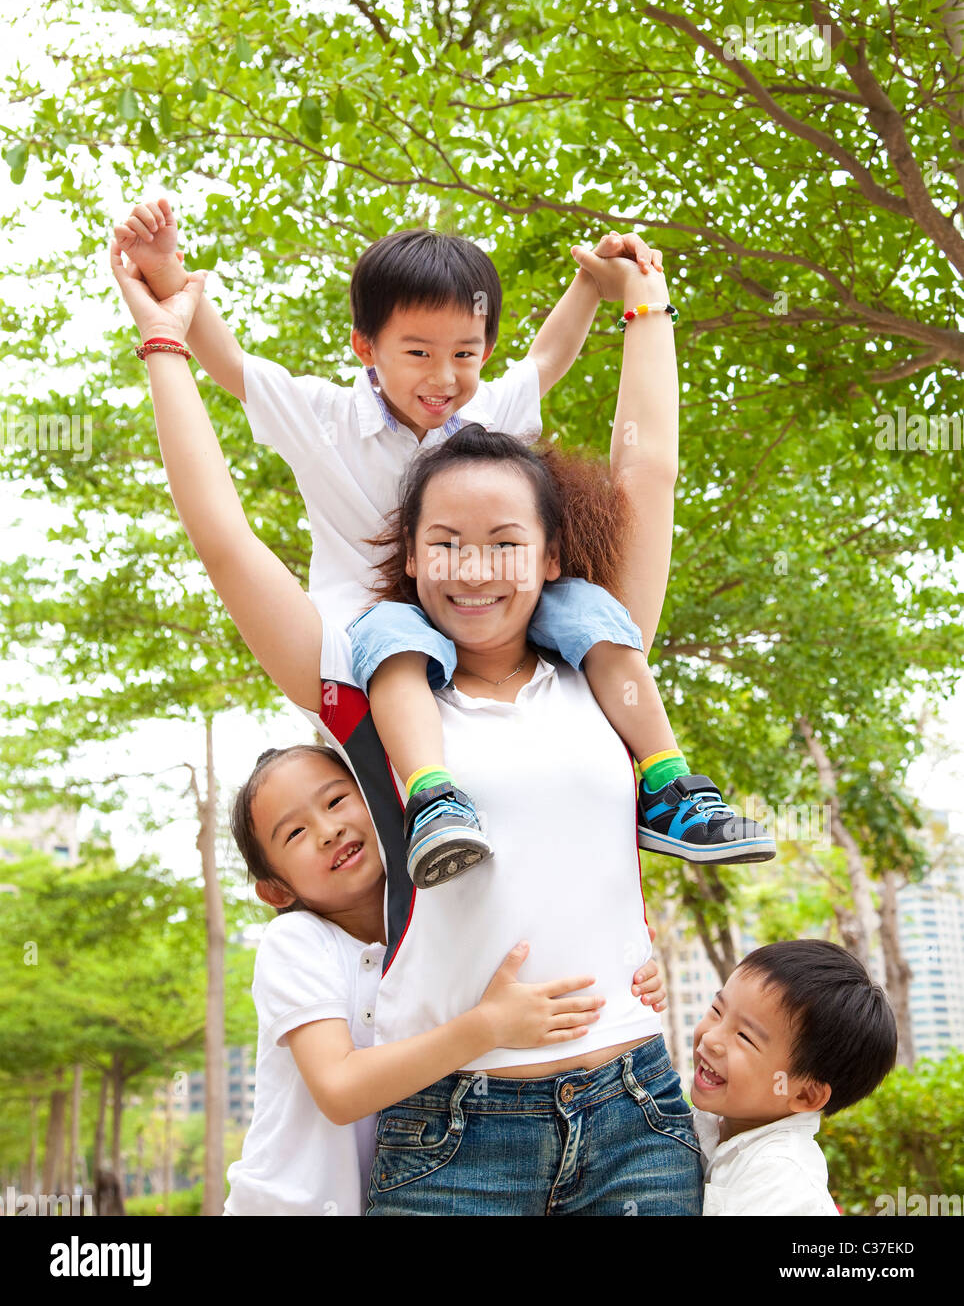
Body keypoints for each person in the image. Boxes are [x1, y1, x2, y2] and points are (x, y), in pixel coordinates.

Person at [109, 236, 703, 1215]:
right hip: (457, 1132)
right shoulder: (365, 695)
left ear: (550, 556)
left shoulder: (599, 665)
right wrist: (166, 350)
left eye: (507, 540)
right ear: (410, 564)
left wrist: (645, 309)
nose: (477, 565)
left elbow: (651, 479)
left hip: (633, 1105)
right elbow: (223, 540)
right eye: (446, 542)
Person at [114, 200, 773, 888]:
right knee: (399, 641)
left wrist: (595, 286)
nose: (445, 377)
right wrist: (168, 279)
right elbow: (232, 369)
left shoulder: (487, 419)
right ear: (365, 347)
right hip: (378, 619)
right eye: (419, 353)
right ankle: (433, 796)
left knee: (589, 613)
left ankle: (667, 787)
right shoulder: (327, 419)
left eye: (465, 354)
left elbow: (554, 366)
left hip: (506, 604)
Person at [222, 741, 665, 1215]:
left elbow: (526, 955)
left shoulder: (438, 930)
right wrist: (489, 1026)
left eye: (336, 801)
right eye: (294, 833)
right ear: (275, 889)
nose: (328, 831)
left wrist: (625, 972)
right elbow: (339, 1089)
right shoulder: (297, 942)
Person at [689, 940, 898, 1216]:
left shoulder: (780, 1176)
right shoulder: (710, 1124)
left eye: (745, 1038)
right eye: (717, 1011)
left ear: (805, 1094)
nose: (712, 1038)